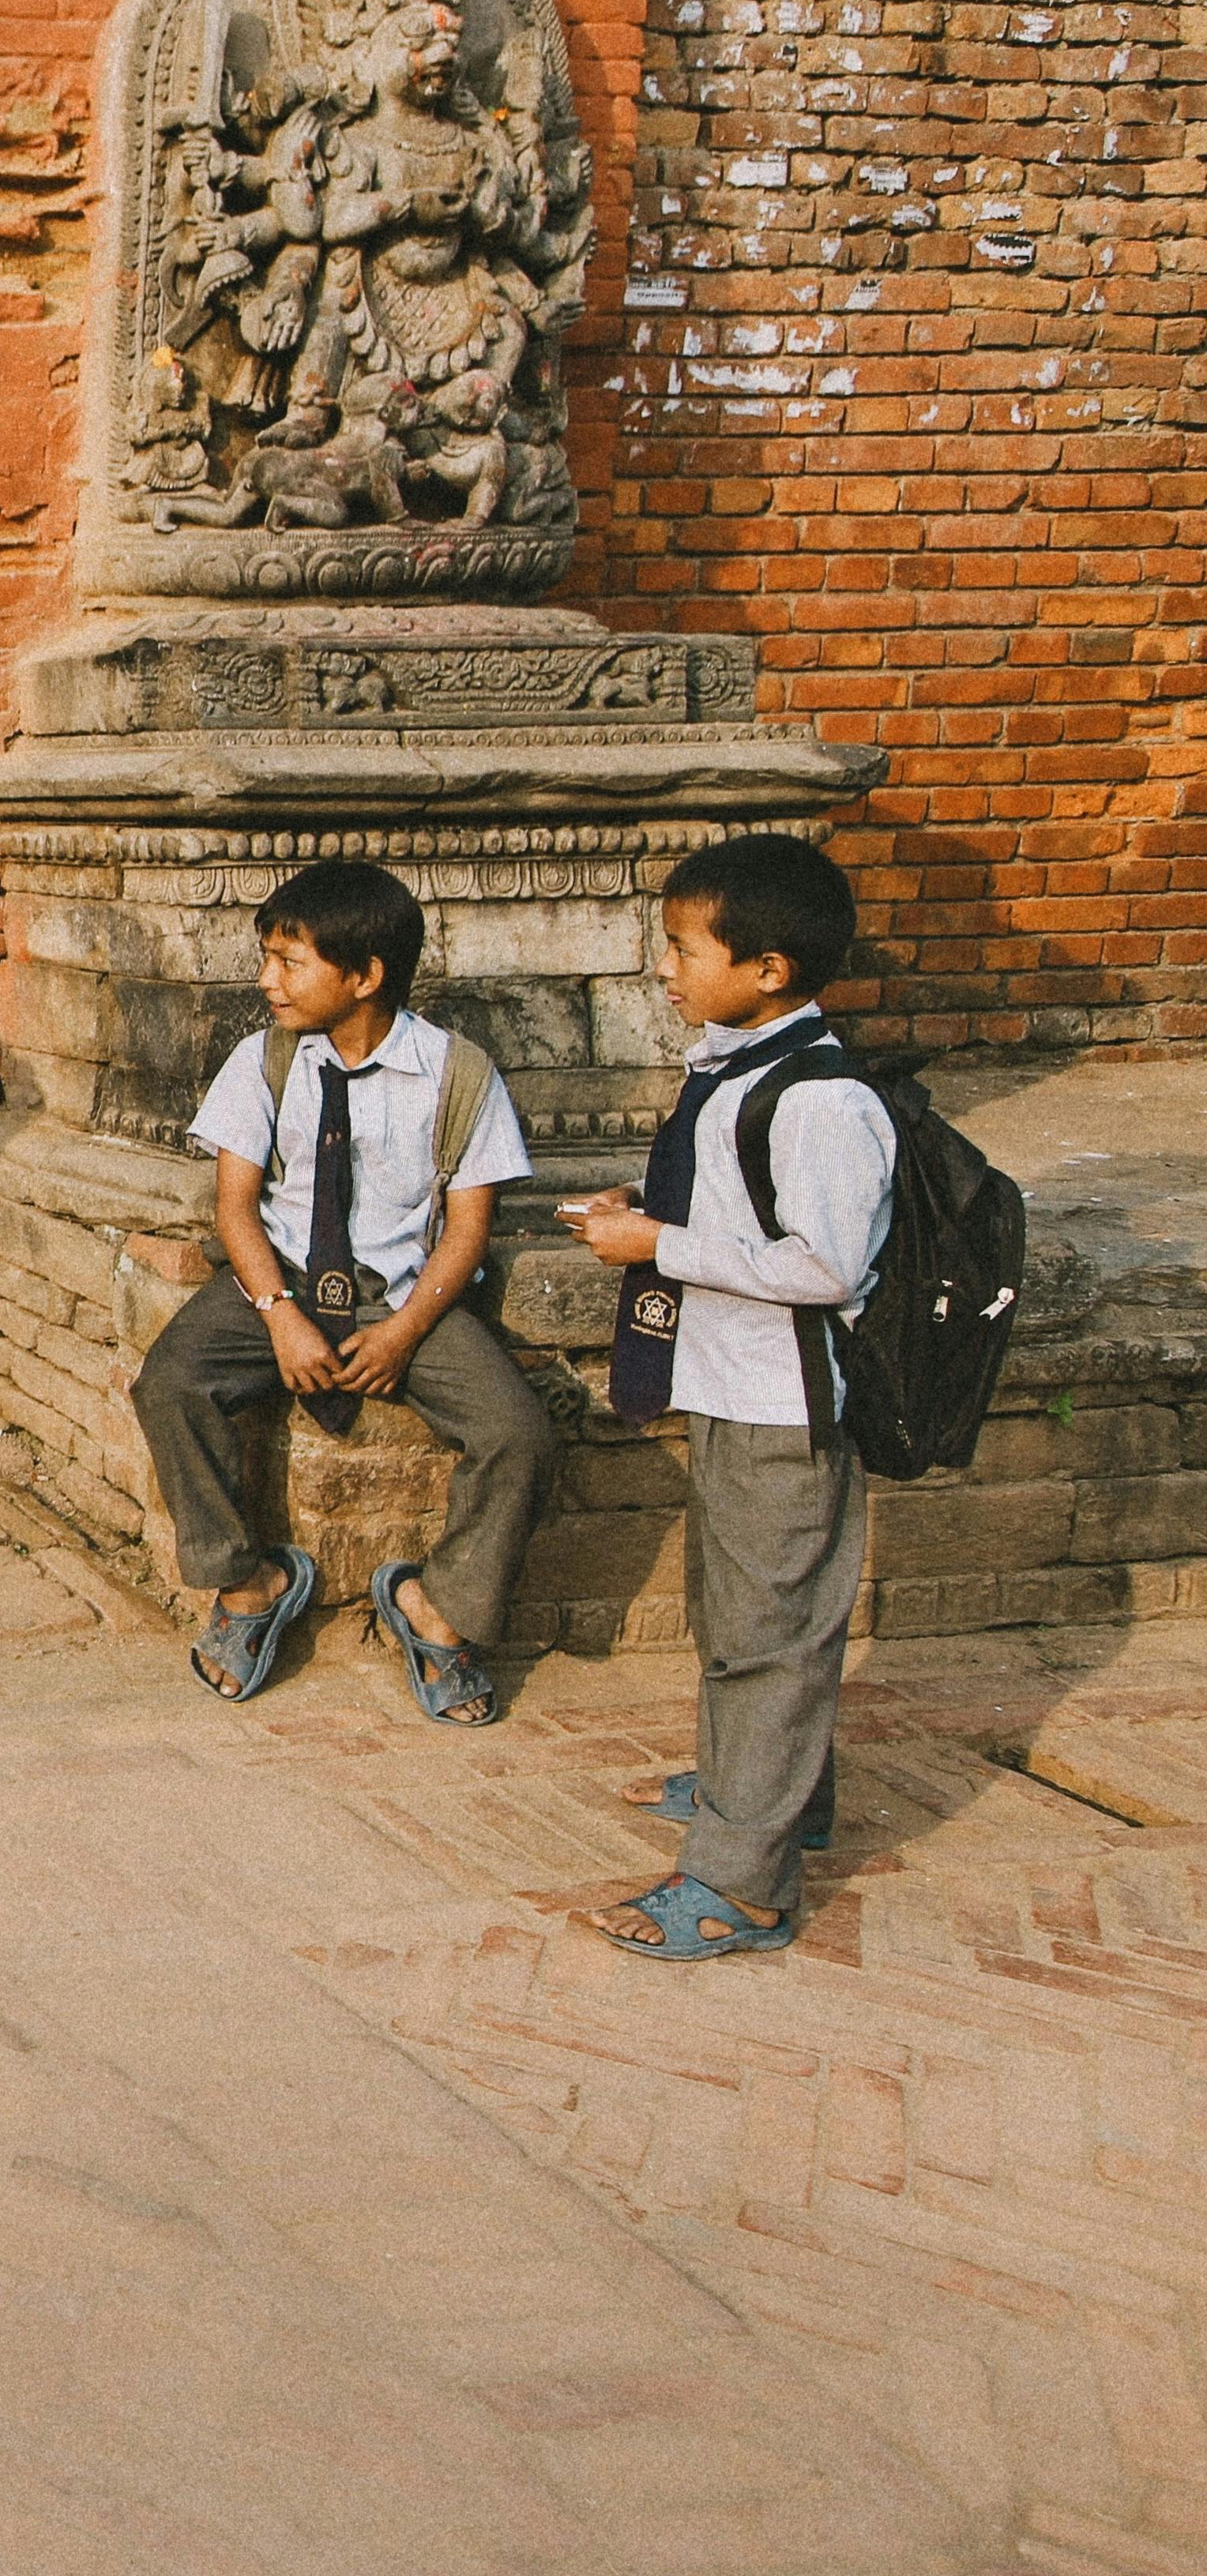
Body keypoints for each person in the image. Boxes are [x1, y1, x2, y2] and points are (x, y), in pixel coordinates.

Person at [564, 835, 893, 1958]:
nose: (666, 967)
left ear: (770, 969)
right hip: (728, 1383)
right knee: (747, 1619)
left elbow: (829, 1265)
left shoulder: (822, 1101)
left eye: (682, 947)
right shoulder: (735, 1066)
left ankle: (740, 1884)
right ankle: (774, 1801)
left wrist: (660, 1240)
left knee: (771, 1634)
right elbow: (737, 1214)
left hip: (784, 1403)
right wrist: (642, 1209)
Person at [131, 858, 549, 1720]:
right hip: (277, 1279)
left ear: (365, 977)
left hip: (406, 1297)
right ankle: (249, 1583)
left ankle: (436, 1606)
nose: (267, 981)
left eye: (291, 962)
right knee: (171, 1382)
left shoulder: (458, 1075)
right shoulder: (266, 1061)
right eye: (268, 958)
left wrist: (400, 1335)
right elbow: (235, 1209)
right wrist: (280, 1317)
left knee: (521, 1434)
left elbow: (469, 1231)